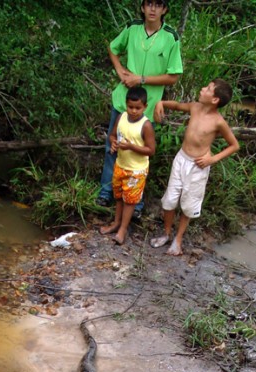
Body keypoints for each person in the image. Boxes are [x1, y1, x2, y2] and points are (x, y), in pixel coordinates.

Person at [97, 0, 183, 214]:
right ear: (143, 7)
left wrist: (141, 79)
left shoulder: (170, 37)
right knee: (114, 147)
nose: (153, 9)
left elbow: (173, 76)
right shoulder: (132, 28)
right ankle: (106, 193)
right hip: (123, 101)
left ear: (164, 10)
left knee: (141, 154)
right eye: (149, 4)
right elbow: (113, 48)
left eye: (158, 5)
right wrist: (120, 71)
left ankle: (136, 203)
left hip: (148, 106)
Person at [150, 79, 240, 255]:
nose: (202, 88)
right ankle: (166, 234)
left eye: (208, 88)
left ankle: (178, 240)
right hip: (181, 159)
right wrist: (160, 103)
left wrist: (212, 159)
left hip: (198, 166)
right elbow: (176, 105)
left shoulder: (218, 122)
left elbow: (234, 145)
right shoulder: (195, 107)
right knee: (170, 199)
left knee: (189, 204)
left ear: (215, 100)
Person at [100, 86, 156, 245]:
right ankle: (116, 223)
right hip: (120, 165)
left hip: (136, 170)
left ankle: (123, 229)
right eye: (130, 107)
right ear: (125, 104)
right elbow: (112, 136)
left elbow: (151, 150)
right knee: (118, 197)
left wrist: (131, 146)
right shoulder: (121, 117)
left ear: (145, 107)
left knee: (130, 201)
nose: (133, 111)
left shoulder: (146, 125)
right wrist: (114, 144)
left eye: (138, 108)